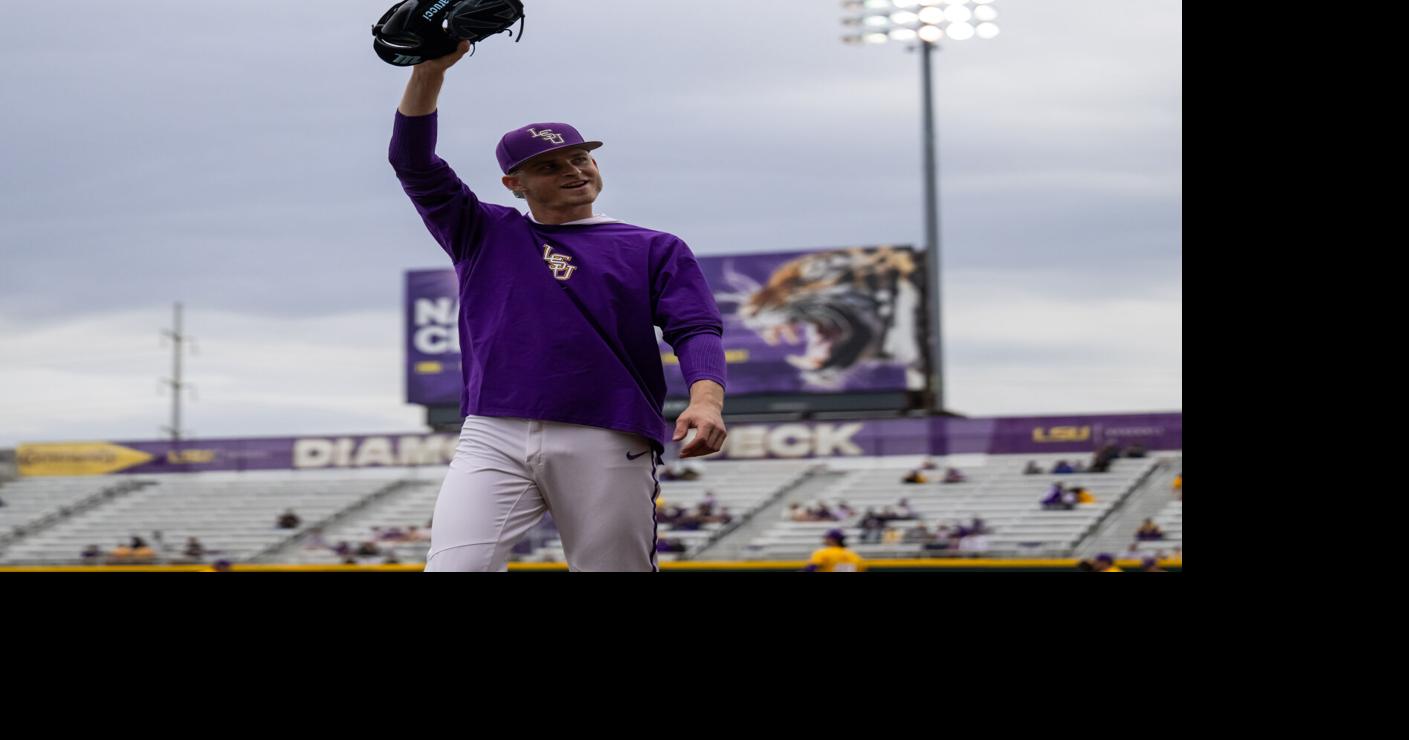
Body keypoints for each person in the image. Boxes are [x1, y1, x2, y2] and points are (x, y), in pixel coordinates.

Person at [390, 40, 728, 572]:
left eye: (580, 157)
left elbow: (696, 328)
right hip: (493, 431)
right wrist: (430, 71)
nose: (572, 170)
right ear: (514, 184)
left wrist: (706, 400)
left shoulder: (652, 246)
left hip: (607, 429)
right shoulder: (484, 233)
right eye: (548, 166)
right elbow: (412, 162)